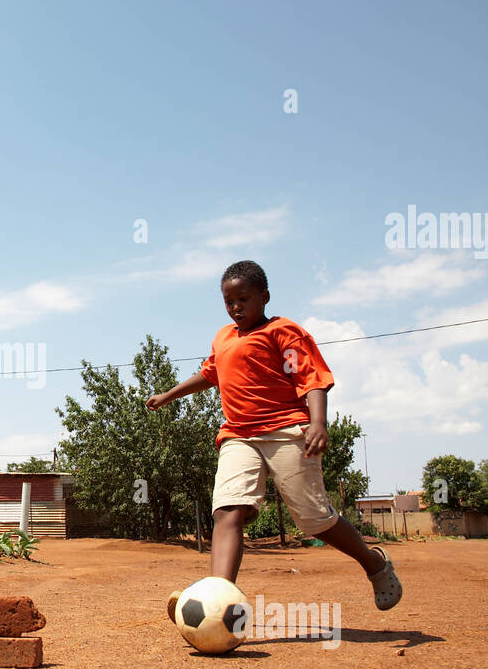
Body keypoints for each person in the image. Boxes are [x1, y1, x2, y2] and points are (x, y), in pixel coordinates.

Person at [146, 259, 402, 612]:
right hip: (238, 435)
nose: (236, 307)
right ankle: (219, 603)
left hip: (286, 432)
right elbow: (210, 374)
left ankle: (373, 562)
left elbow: (312, 379)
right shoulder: (223, 337)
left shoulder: (283, 332)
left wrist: (319, 423)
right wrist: (167, 395)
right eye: (229, 301)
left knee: (315, 521)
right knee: (228, 510)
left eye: (244, 299)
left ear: (264, 297)